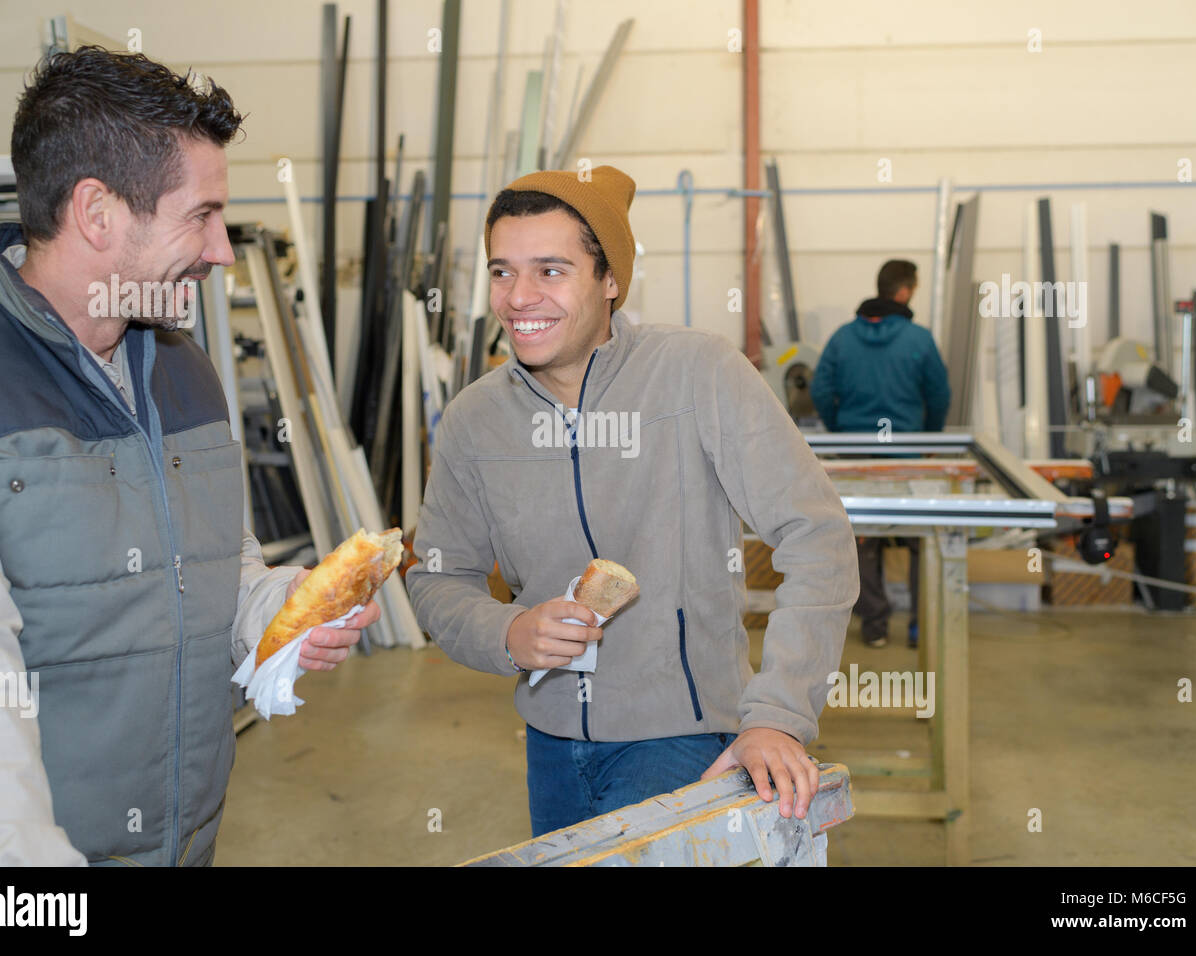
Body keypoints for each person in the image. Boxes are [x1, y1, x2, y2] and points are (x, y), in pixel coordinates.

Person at [0, 47, 377, 866]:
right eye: (200, 216)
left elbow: (221, 565)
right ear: (98, 213)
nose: (223, 253)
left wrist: (278, 611)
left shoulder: (182, 369)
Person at [406, 166, 858, 845]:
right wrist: (506, 633)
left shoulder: (697, 373)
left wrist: (778, 713)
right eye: (502, 272)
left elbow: (815, 534)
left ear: (610, 280)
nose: (518, 297)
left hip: (683, 741)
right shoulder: (475, 420)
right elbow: (438, 577)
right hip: (550, 746)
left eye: (550, 271)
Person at [810, 260, 950, 648]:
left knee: (862, 537)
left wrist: (841, 431)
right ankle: (922, 626)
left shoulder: (842, 338)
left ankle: (875, 625)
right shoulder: (919, 339)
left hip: (856, 453)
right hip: (906, 453)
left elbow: (820, 390)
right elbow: (940, 395)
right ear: (904, 292)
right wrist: (929, 439)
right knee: (921, 538)